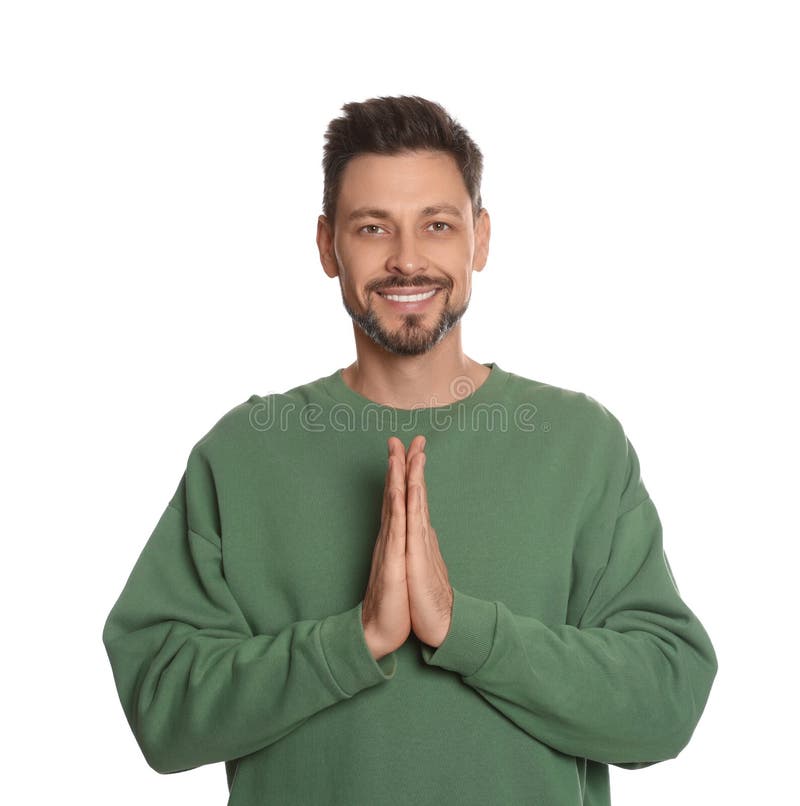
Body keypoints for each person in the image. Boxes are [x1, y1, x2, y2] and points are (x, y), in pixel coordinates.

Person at [102, 94, 718, 805]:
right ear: (328, 245)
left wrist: (464, 629)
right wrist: (354, 640)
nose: (406, 260)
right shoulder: (241, 455)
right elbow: (160, 709)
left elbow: (665, 702)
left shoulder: (580, 445)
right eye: (372, 228)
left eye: (437, 225)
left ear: (479, 239)